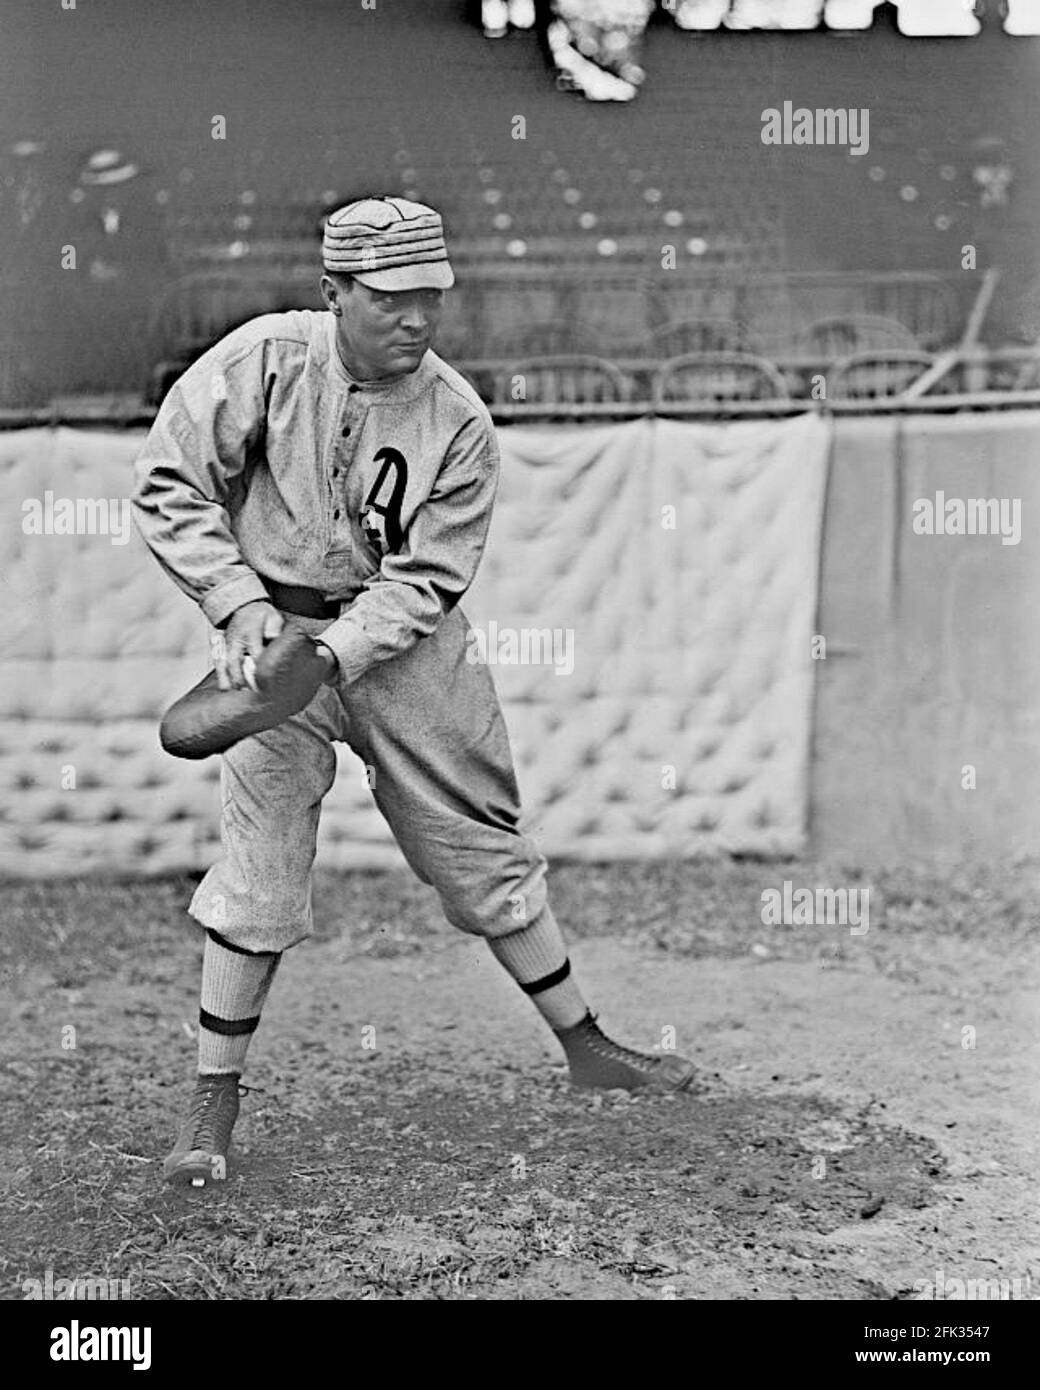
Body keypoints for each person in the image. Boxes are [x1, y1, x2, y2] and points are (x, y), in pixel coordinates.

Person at [132, 196, 695, 1189]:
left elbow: (426, 579)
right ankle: (211, 1100)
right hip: (269, 642)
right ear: (332, 292)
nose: (417, 318)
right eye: (390, 297)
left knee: (482, 843)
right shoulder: (258, 362)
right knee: (259, 862)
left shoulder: (458, 421)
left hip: (410, 648)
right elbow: (169, 483)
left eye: (430, 295)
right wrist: (234, 603)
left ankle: (588, 1048)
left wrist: (334, 653)